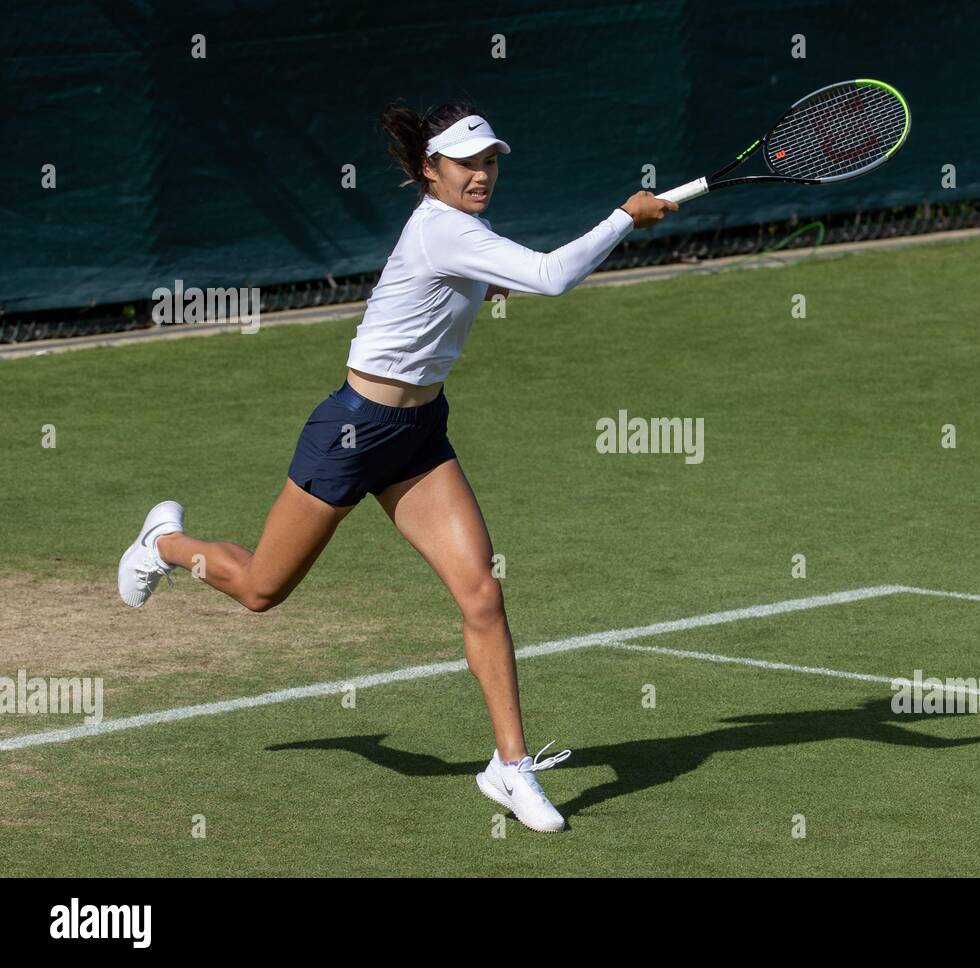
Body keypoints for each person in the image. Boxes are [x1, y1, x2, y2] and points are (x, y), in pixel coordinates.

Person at [117, 101, 678, 833]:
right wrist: (624, 217)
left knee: (481, 592)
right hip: (353, 431)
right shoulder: (443, 228)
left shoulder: (460, 233)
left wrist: (481, 285)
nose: (483, 174)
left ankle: (509, 768)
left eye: (491, 161)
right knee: (260, 591)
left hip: (418, 433)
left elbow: (480, 281)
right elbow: (549, 277)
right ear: (429, 170)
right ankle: (163, 544)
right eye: (467, 163)